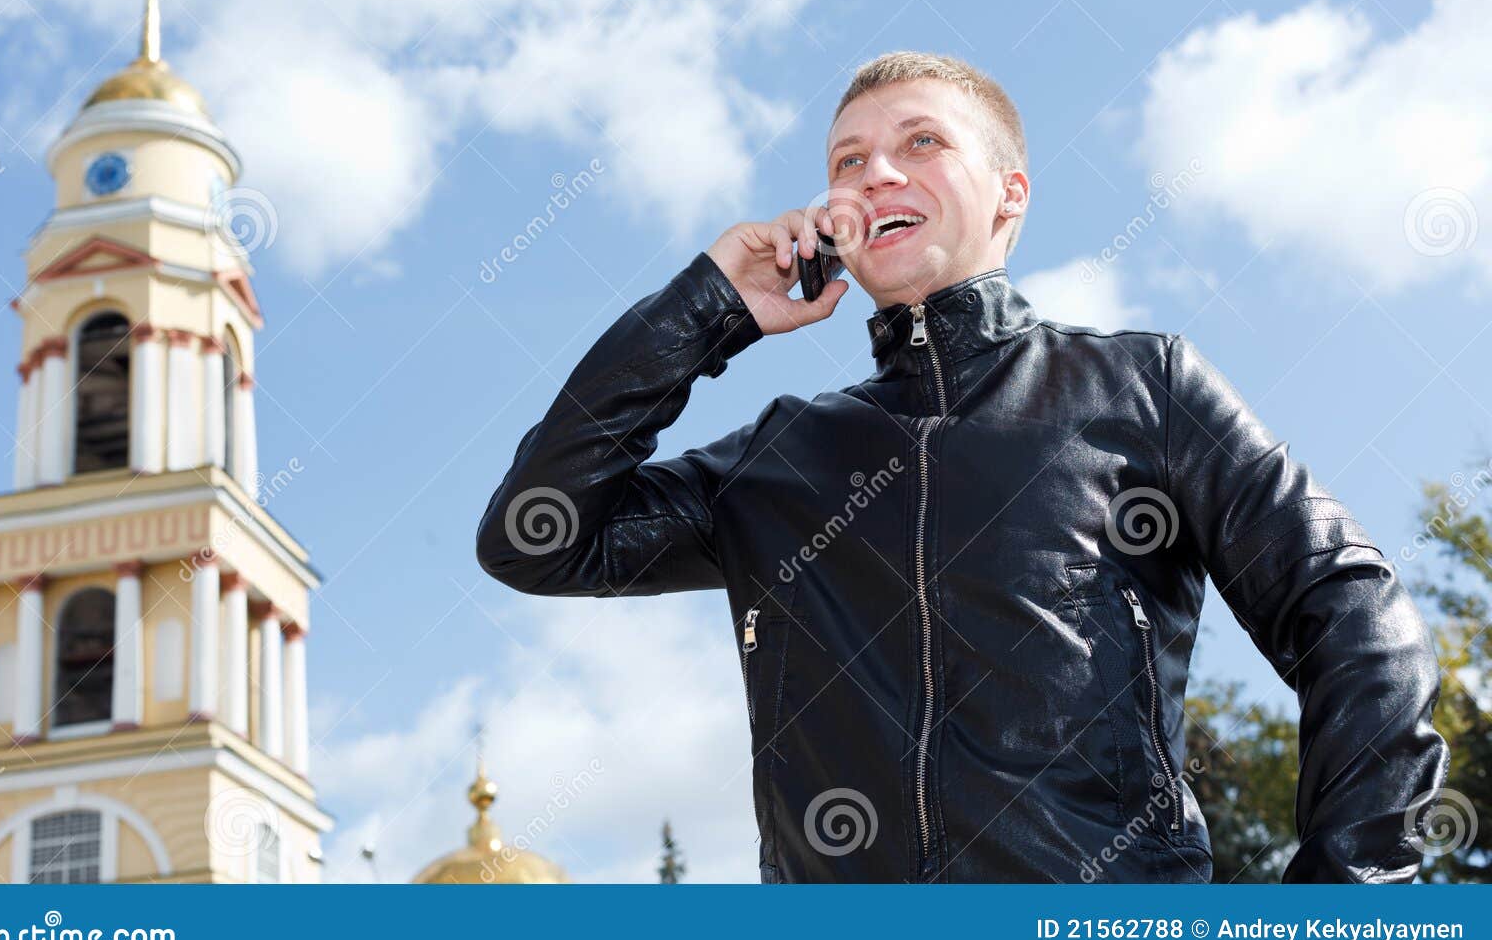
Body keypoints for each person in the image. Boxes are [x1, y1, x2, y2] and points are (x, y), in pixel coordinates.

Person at [475, 50, 1450, 883]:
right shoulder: (776, 460)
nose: (875, 173)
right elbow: (536, 537)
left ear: (1008, 195)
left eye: (921, 143)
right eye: (847, 162)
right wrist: (705, 310)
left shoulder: (1136, 386)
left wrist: (1340, 910)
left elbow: (1357, 620)